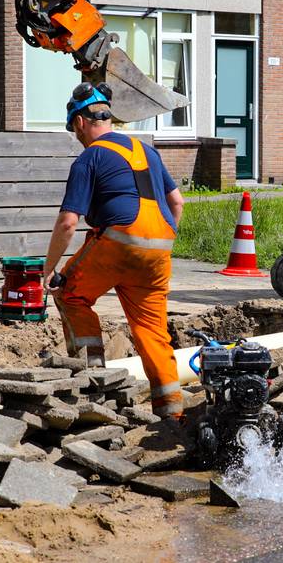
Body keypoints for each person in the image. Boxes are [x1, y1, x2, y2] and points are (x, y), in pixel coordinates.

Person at [44, 82, 187, 419]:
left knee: (69, 295)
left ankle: (93, 391)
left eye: (74, 130)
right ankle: (171, 412)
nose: (77, 137)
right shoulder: (147, 151)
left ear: (80, 122)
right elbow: (177, 202)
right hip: (160, 250)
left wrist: (48, 270)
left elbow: (67, 223)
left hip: (119, 242)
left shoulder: (90, 157)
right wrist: (158, 244)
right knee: (152, 330)